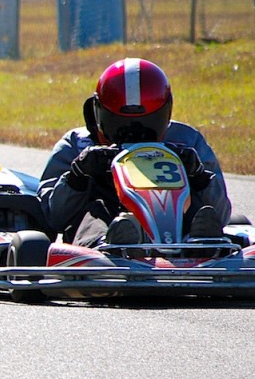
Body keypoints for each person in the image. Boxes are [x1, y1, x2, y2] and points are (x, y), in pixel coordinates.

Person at [38, 57, 231, 247]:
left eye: (147, 122)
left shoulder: (186, 140)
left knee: (200, 212)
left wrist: (199, 177)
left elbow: (222, 214)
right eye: (122, 123)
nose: (135, 133)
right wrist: (78, 176)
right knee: (95, 209)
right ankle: (106, 242)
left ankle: (201, 243)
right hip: (106, 225)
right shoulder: (77, 145)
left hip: (176, 223)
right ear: (99, 112)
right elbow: (53, 217)